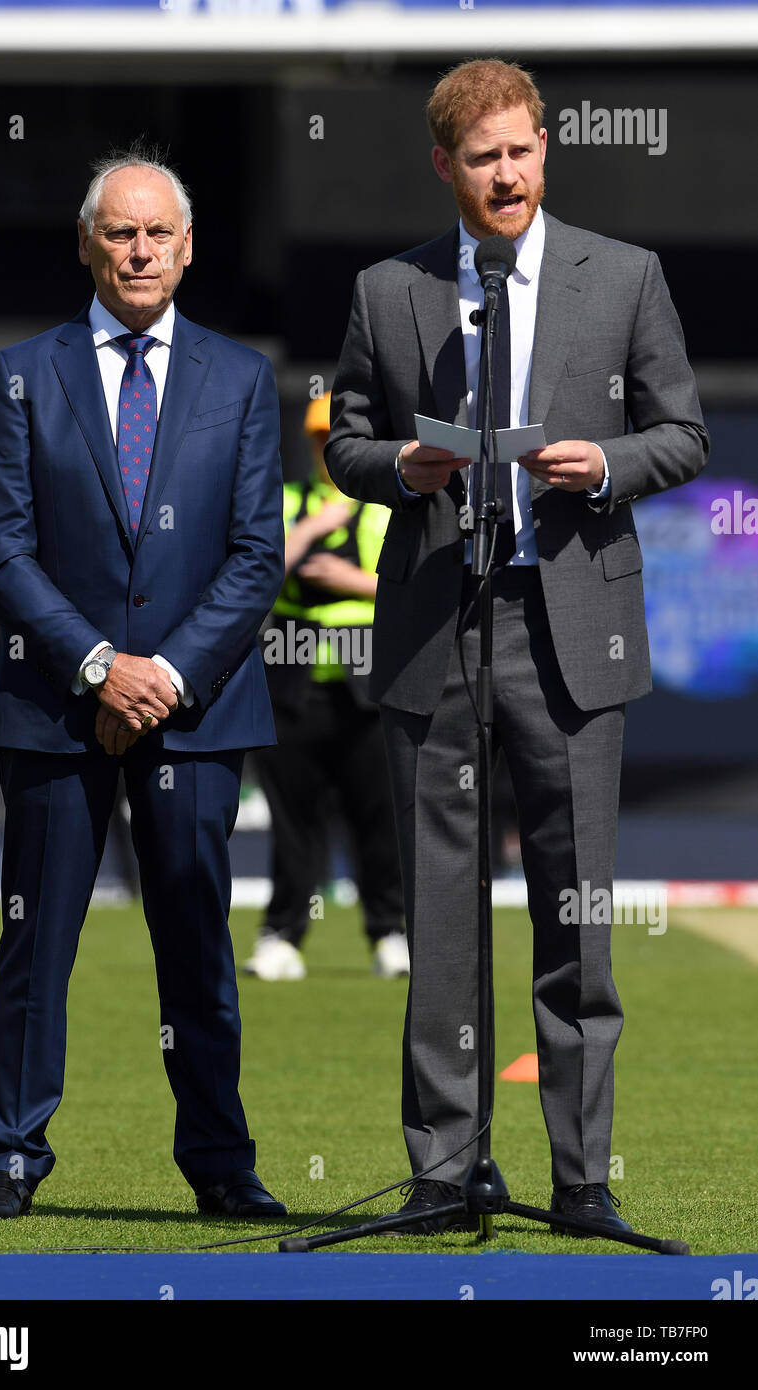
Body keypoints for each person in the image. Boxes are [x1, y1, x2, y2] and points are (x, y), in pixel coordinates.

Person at [325, 59, 708, 1236]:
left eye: (522, 149)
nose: (506, 172)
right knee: (438, 914)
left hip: (569, 629)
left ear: (547, 149)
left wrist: (600, 464)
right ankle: (443, 1177)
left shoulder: (624, 276)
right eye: (481, 155)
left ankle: (580, 1182)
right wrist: (403, 465)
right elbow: (344, 439)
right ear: (443, 166)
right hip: (439, 622)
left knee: (574, 915)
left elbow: (682, 432)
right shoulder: (387, 291)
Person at [0, 149, 287, 1221]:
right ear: (89, 244)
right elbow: (2, 552)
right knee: (35, 938)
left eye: (158, 234)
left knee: (195, 943)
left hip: (195, 714)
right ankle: (9, 1157)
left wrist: (166, 677)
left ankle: (222, 1168)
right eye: (119, 232)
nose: (139, 251)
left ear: (187, 248)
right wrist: (100, 669)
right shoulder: (20, 372)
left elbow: (253, 554)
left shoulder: (239, 378)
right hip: (58, 706)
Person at [245, 393, 409, 981]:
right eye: (318, 439)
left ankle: (390, 933)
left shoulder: (391, 506)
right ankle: (282, 935)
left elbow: (414, 593)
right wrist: (314, 527)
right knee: (293, 817)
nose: (326, 450)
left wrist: (350, 580)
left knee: (380, 816)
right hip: (293, 683)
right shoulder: (286, 503)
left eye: (334, 437)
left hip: (369, 684)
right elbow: (253, 579)